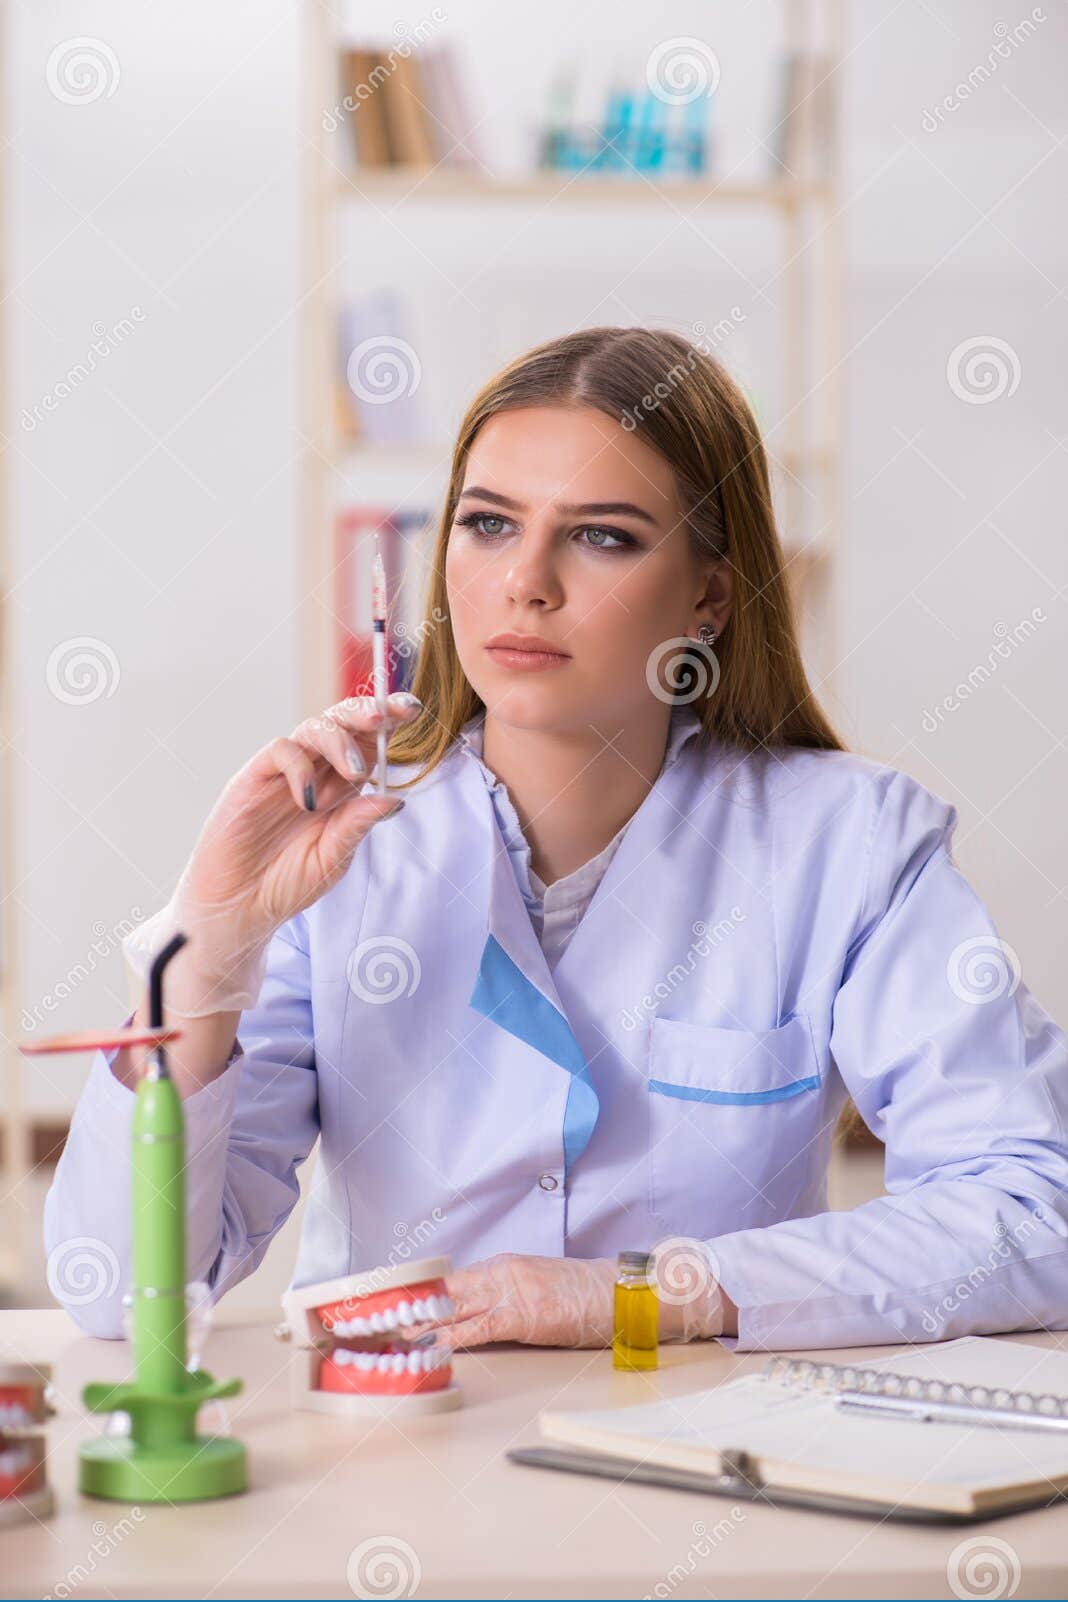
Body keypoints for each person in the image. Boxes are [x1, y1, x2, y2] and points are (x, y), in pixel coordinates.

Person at [44, 326, 1068, 1352]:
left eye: (603, 536)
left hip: (706, 1457)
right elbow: (122, 1291)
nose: (525, 580)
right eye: (488, 524)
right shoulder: (339, 851)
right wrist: (207, 955)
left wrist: (648, 1293)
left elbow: (1033, 1214)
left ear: (710, 596)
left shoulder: (849, 842)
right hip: (391, 1454)